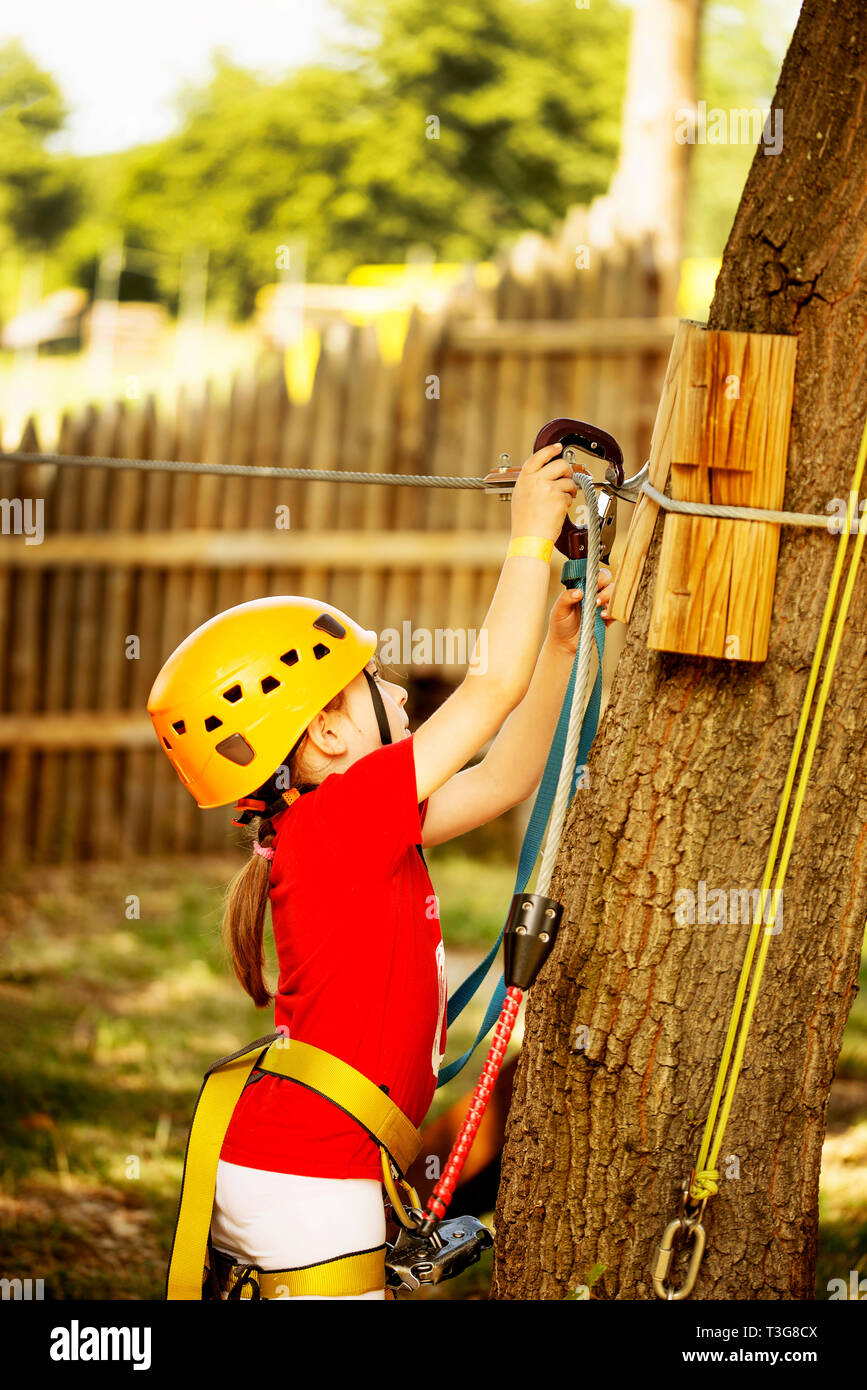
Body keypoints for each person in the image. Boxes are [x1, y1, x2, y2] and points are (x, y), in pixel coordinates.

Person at [147, 441, 614, 1299]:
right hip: (307, 1182)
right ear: (326, 735)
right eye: (376, 682)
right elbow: (486, 691)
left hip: (312, 1171)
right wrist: (529, 542)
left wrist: (556, 650)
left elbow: (506, 776)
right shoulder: (342, 821)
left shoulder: (348, 830)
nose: (400, 693)